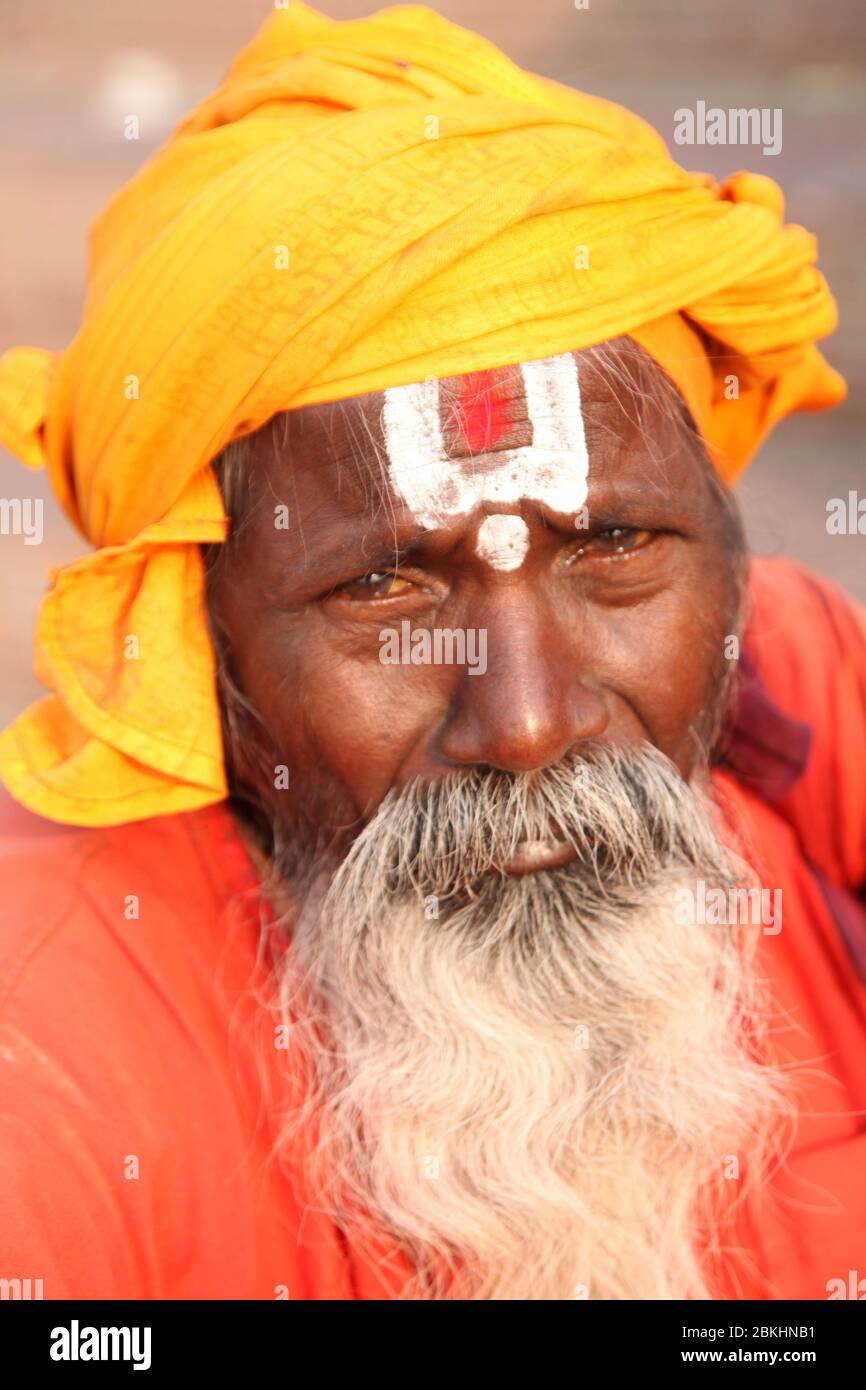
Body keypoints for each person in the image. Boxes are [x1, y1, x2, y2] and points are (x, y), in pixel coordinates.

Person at [0, 2, 863, 1301]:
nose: (523, 724)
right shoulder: (56, 1028)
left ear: (727, 562)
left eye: (612, 543)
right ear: (201, 636)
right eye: (384, 586)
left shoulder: (795, 690)